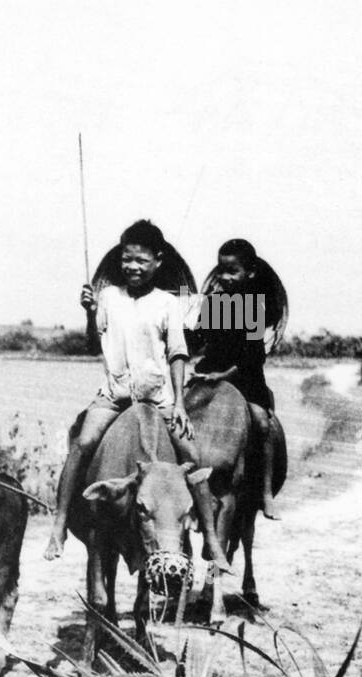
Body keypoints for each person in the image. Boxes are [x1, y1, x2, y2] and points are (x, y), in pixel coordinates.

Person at [44, 219, 232, 572]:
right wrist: (88, 313)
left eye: (142, 261)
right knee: (83, 444)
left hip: (157, 396)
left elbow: (178, 353)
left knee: (194, 459)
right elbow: (91, 344)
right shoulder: (108, 297)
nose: (133, 267)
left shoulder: (167, 303)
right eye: (127, 259)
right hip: (115, 394)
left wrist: (178, 404)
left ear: (158, 262)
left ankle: (210, 538)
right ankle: (59, 524)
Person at [189, 238, 283, 518]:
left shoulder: (256, 305)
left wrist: (224, 375)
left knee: (261, 421)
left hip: (245, 379)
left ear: (250, 272)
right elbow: (196, 340)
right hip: (210, 375)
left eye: (233, 271)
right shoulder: (213, 302)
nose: (225, 277)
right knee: (180, 412)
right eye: (221, 271)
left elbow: (253, 355)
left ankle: (265, 492)